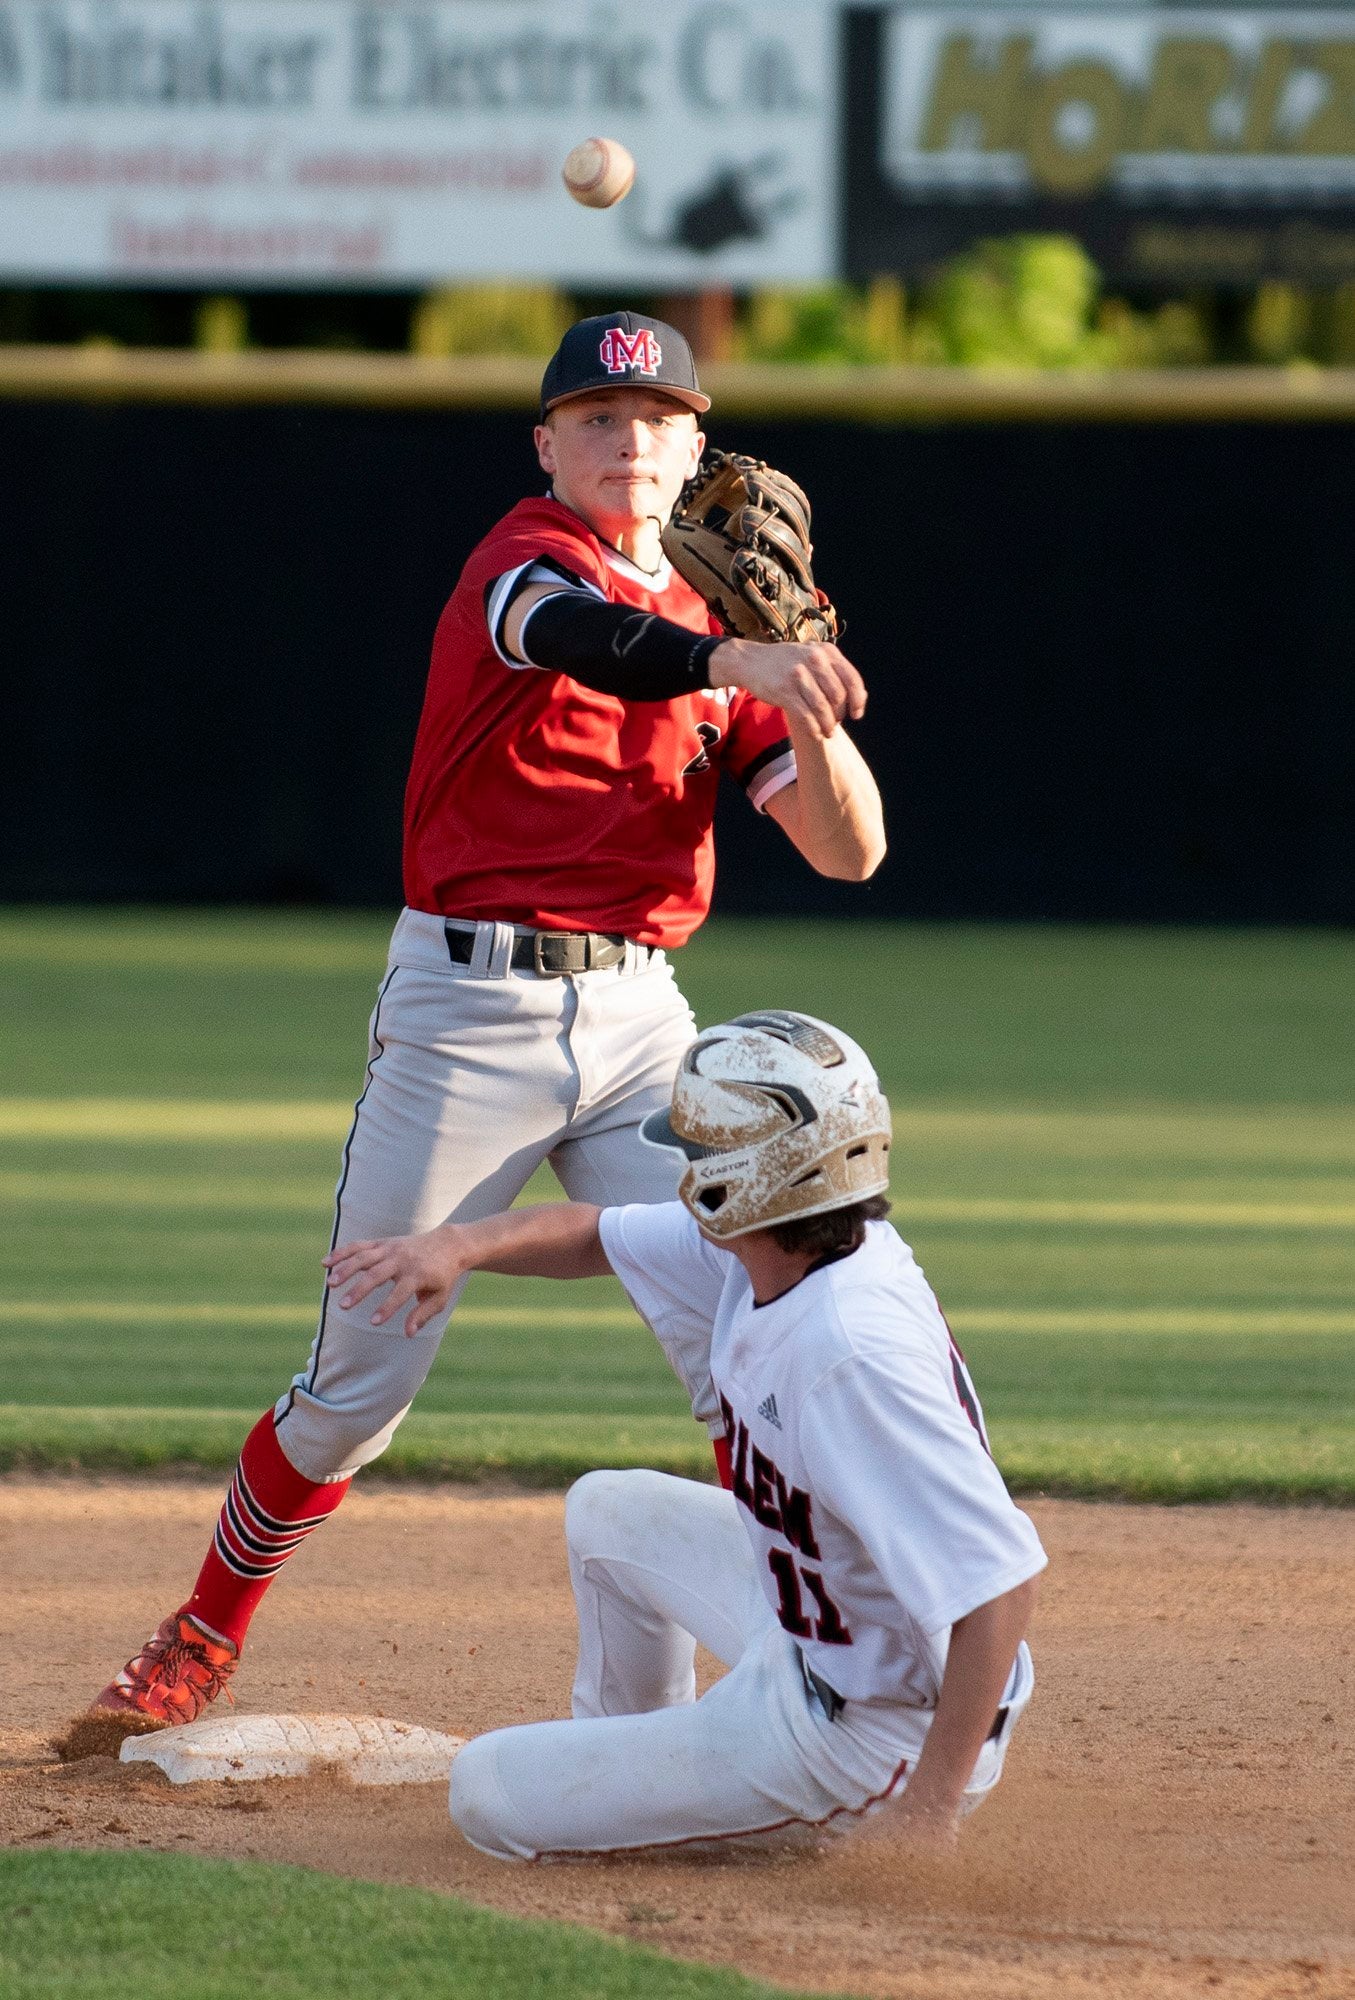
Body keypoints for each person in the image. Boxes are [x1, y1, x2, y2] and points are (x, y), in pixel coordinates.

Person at [88, 312, 885, 1731]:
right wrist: (730, 667)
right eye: (593, 418)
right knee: (359, 1376)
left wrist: (802, 689)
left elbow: (849, 854)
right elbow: (585, 641)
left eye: (653, 420)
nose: (625, 442)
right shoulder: (525, 560)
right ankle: (204, 1631)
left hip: (642, 1012)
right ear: (545, 446)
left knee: (740, 1317)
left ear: (696, 444)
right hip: (467, 1011)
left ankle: (805, 1668)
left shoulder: (728, 626)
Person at [323, 1011, 1047, 1857]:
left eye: (698, 1152)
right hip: (818, 1639)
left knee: (485, 1792)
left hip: (867, 1742)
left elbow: (997, 1587)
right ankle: (647, 1768)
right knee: (609, 1510)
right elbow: (591, 1231)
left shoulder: (848, 1356)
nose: (683, 1167)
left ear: (743, 1177)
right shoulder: (790, 1245)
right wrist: (456, 1246)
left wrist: (927, 1811)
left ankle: (712, 1795)